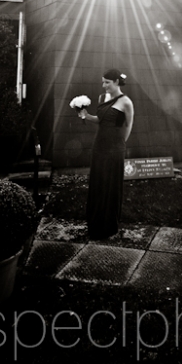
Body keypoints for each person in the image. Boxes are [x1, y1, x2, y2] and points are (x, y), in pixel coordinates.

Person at [78, 69, 134, 240]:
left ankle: (108, 226)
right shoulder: (102, 98)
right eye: (102, 82)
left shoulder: (126, 102)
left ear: (116, 82)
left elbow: (128, 127)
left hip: (115, 148)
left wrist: (118, 145)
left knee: (111, 186)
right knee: (98, 183)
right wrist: (86, 116)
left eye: (107, 82)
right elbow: (100, 120)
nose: (104, 86)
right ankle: (95, 223)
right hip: (99, 146)